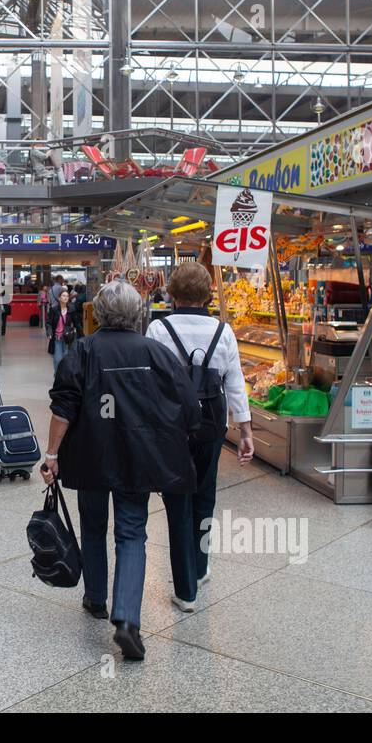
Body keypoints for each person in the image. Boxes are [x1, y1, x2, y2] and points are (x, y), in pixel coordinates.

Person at [43, 280, 202, 661]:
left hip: (91, 456)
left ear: (98, 313)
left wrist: (51, 454)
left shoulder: (82, 350)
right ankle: (128, 619)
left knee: (93, 526)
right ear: (138, 314)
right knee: (132, 533)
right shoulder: (157, 353)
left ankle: (96, 599)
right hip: (139, 458)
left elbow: (63, 407)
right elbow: (190, 410)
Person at [146, 262, 255, 611]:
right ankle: (201, 565)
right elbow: (235, 383)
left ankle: (185, 590)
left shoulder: (158, 329)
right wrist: (246, 430)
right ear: (208, 294)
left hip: (171, 425)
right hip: (211, 422)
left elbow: (150, 383)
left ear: (172, 293)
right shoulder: (224, 332)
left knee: (178, 500)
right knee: (205, 494)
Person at [45, 285, 80, 371]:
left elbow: (76, 324)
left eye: (67, 296)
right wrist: (49, 332)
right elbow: (49, 323)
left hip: (67, 338)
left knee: (66, 359)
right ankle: (57, 377)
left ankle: (64, 377)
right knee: (57, 359)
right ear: (59, 298)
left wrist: (82, 335)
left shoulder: (71, 309)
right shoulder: (54, 310)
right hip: (57, 338)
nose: (65, 298)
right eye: (63, 296)